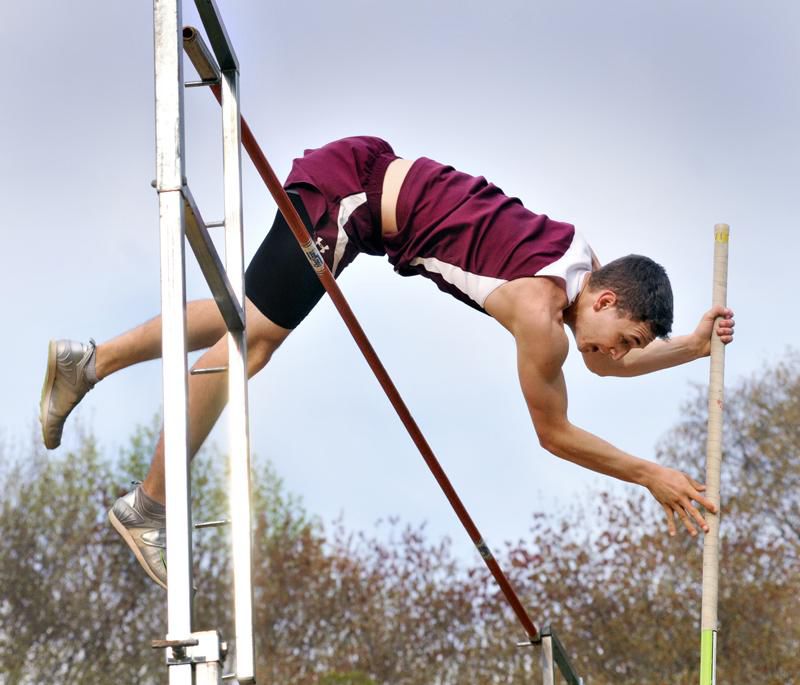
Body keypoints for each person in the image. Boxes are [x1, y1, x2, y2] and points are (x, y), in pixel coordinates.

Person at [39, 136, 735, 589]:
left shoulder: (581, 261)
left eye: (634, 348)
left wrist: (692, 347)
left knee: (247, 318)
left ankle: (88, 362)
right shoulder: (540, 315)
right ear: (607, 299)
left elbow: (598, 362)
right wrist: (651, 473)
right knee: (252, 338)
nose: (621, 353)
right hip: (357, 199)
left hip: (362, 189)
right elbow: (553, 432)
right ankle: (148, 505)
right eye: (629, 337)